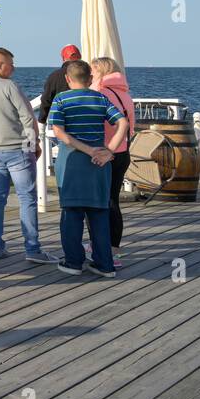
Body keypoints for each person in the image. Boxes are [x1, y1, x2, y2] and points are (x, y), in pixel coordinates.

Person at [0, 47, 55, 263]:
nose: (14, 67)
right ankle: (32, 248)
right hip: (18, 149)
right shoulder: (9, 86)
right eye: (11, 63)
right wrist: (34, 143)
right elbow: (28, 117)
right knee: (26, 198)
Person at [47, 60, 127, 278]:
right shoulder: (101, 98)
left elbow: (59, 132)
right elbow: (123, 123)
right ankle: (105, 264)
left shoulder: (61, 99)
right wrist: (108, 150)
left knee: (72, 214)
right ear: (90, 79)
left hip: (73, 162)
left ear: (67, 79)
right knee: (99, 213)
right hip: (100, 164)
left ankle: (74, 262)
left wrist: (86, 149)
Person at [90, 57, 135, 264]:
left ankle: (99, 246)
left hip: (105, 151)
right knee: (113, 201)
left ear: (100, 71)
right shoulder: (124, 92)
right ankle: (114, 247)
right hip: (123, 152)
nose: (90, 73)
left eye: (93, 69)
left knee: (99, 202)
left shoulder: (101, 93)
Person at [38, 44, 81, 125]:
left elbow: (46, 100)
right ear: (80, 57)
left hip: (59, 122)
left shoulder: (54, 76)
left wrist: (42, 120)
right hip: (83, 121)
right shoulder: (88, 74)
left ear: (63, 58)